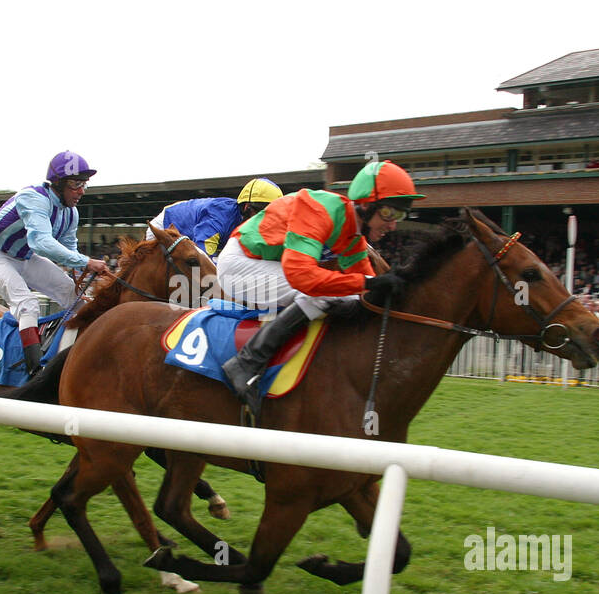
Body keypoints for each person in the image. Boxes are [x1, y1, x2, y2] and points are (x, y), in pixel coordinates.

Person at [218, 160, 422, 414]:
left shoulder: (351, 233)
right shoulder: (319, 208)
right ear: (367, 205)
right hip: (239, 265)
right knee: (322, 293)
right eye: (389, 213)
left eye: (400, 216)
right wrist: (369, 282)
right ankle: (246, 363)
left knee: (348, 297)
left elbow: (367, 292)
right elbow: (301, 276)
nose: (393, 225)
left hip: (262, 264)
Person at [0, 151, 110, 375]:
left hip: (26, 257)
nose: (82, 191)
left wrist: (89, 269)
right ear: (58, 183)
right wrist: (87, 262)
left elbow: (70, 250)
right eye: (76, 184)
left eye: (84, 184)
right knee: (28, 303)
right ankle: (34, 371)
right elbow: (42, 243)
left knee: (74, 296)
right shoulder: (33, 197)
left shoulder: (71, 213)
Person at [145, 178, 282, 258]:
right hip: (163, 226)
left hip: (187, 236)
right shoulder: (220, 217)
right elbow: (202, 253)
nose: (265, 221)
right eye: (263, 214)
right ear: (247, 207)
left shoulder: (244, 220)